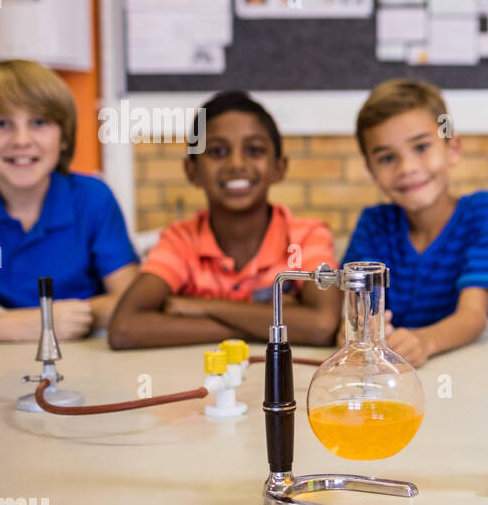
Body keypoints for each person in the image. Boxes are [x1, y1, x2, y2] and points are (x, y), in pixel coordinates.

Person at [108, 91, 338, 348]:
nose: (236, 164)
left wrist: (202, 307)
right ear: (192, 171)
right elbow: (124, 330)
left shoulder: (306, 237)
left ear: (279, 167)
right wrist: (276, 321)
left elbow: (321, 326)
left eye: (254, 150)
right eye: (217, 151)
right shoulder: (181, 240)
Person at [0, 60, 138, 342]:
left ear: (63, 136)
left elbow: (131, 302)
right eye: (1, 124)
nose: (21, 140)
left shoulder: (93, 197)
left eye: (39, 122)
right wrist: (40, 323)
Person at [342, 79, 488, 366]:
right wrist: (359, 334)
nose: (407, 168)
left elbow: (473, 315)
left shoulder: (485, 211)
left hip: (462, 371)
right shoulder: (373, 224)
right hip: (387, 378)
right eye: (386, 158)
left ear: (452, 148)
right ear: (370, 170)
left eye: (421, 147)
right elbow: (351, 320)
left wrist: (424, 341)